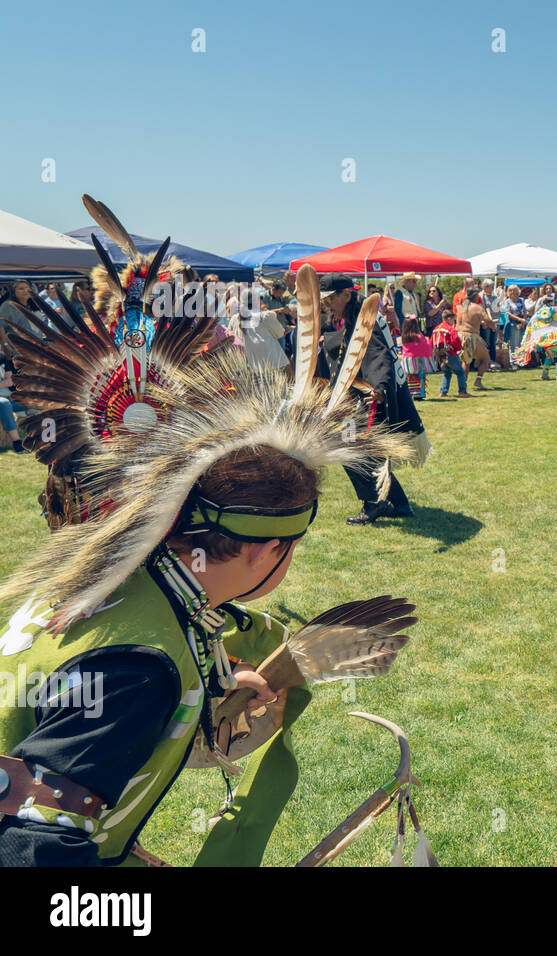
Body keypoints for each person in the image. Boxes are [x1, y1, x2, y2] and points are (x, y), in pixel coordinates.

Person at [0, 254, 414, 867]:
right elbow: (31, 846)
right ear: (270, 549)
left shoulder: (115, 583)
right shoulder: (139, 668)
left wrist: (219, 684)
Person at [320, 275, 425, 525]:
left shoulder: (365, 320)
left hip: (368, 400)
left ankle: (374, 504)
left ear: (346, 295)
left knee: (351, 452)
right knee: (368, 454)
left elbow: (379, 353)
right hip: (358, 399)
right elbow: (349, 346)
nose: (326, 305)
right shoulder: (356, 317)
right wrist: (329, 341)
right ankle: (400, 504)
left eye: (330, 299)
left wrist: (378, 387)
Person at [431, 309, 469, 397]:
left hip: (439, 356)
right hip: (450, 354)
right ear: (448, 319)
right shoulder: (450, 329)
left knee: (447, 373)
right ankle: (462, 392)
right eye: (453, 319)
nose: (453, 322)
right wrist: (460, 347)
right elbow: (455, 341)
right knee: (460, 372)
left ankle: (443, 392)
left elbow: (431, 342)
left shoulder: (436, 329)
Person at [400, 317, 435, 399]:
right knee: (419, 377)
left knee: (410, 377)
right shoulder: (419, 337)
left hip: (407, 361)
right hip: (418, 361)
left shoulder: (404, 337)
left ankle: (411, 393)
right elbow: (426, 347)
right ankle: (419, 394)